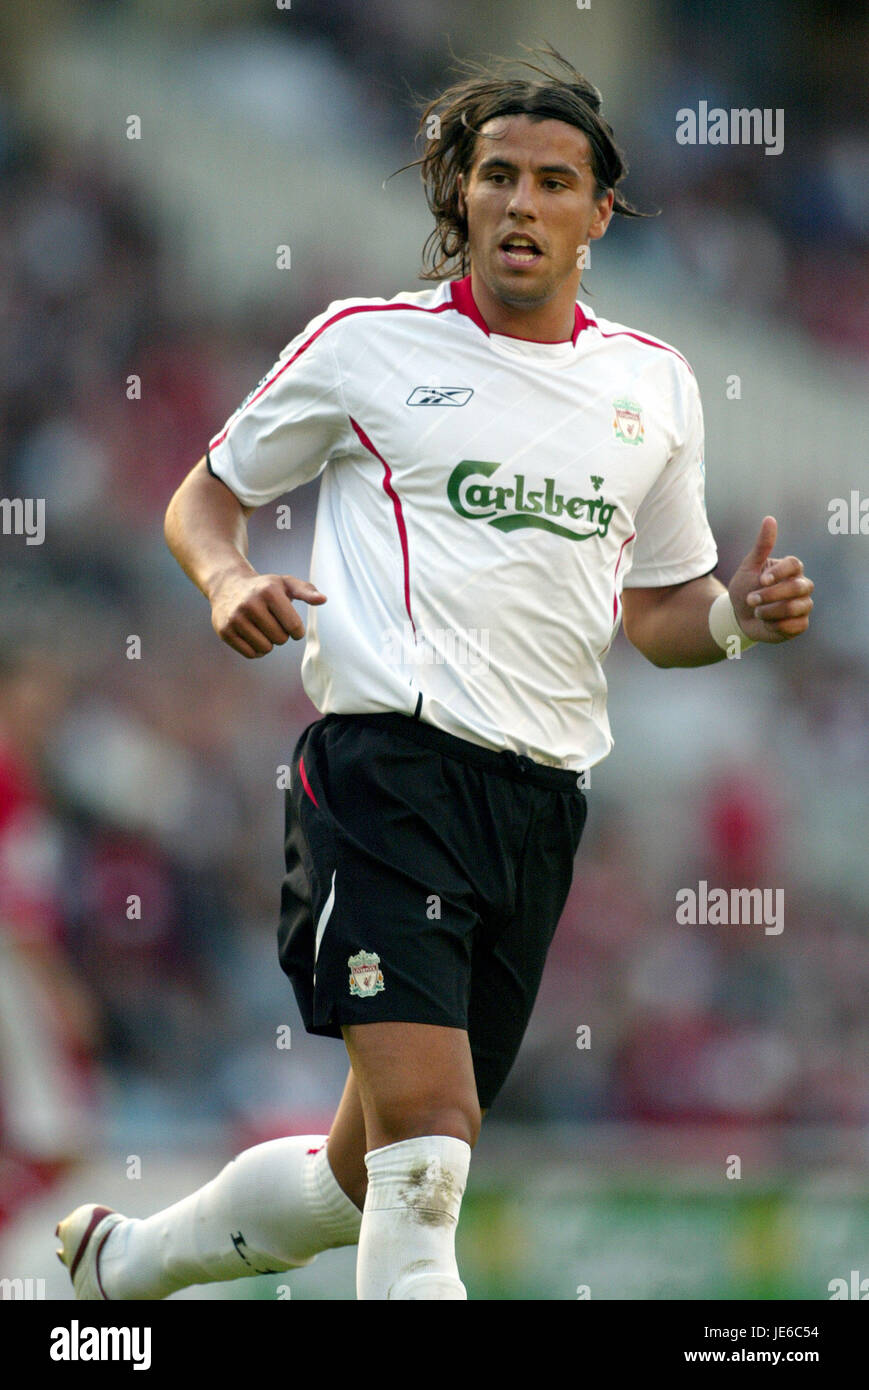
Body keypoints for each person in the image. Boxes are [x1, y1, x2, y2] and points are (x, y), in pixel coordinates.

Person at [56, 49, 814, 1301]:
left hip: (537, 807)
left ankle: (121, 1268)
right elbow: (207, 498)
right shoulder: (364, 346)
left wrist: (736, 620)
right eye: (498, 176)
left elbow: (661, 610)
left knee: (370, 1170)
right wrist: (225, 579)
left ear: (597, 211)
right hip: (386, 773)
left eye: (553, 182)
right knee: (428, 1163)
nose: (522, 204)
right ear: (459, 195)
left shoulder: (652, 387)